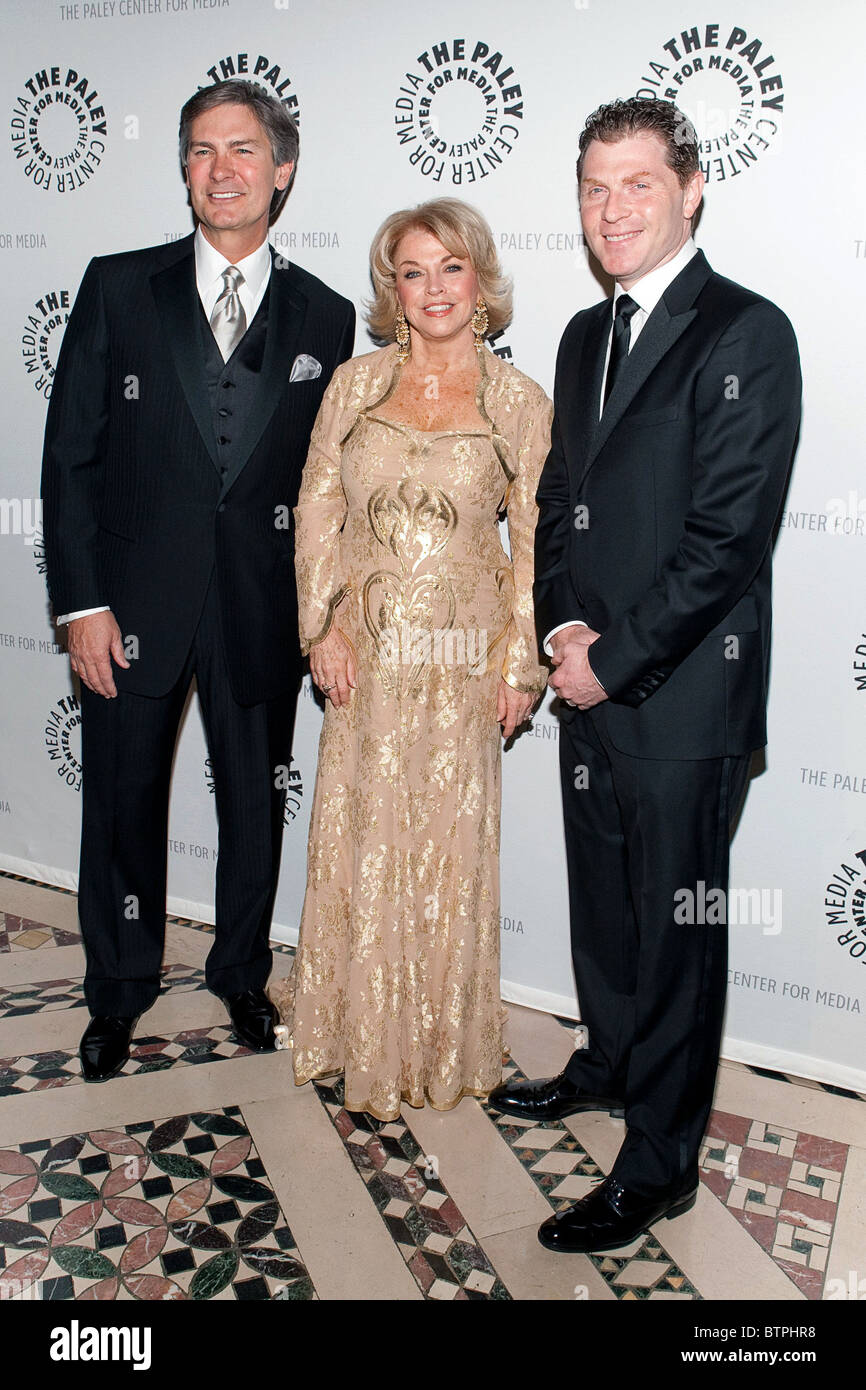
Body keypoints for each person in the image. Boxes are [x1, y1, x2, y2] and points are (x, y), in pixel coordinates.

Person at [488, 97, 801, 1252]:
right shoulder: (580, 334)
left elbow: (726, 540)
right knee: (605, 912)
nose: (609, 207)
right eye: (590, 186)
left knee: (675, 931)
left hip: (681, 701)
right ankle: (608, 1062)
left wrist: (612, 660)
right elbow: (559, 506)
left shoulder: (745, 333)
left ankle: (659, 1162)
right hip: (588, 686)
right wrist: (562, 634)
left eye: (634, 183)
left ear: (689, 188)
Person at [40, 78, 355, 1082]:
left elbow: (328, 487)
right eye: (200, 151)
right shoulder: (118, 287)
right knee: (121, 803)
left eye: (243, 150)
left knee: (255, 805)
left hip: (262, 611)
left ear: (283, 169)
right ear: (184, 169)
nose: (221, 170)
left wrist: (326, 614)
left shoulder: (328, 316)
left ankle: (240, 971)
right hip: (130, 608)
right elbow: (70, 458)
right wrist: (82, 604)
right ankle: (120, 988)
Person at [270, 198, 552, 1121]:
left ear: (480, 282)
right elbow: (315, 508)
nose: (431, 289)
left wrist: (521, 668)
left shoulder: (518, 401)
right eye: (411, 272)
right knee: (362, 840)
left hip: (464, 665)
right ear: (392, 289)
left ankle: (438, 1042)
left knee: (446, 850)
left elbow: (542, 543)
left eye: (449, 268)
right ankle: (354, 1034)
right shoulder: (352, 386)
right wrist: (324, 626)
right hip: (368, 659)